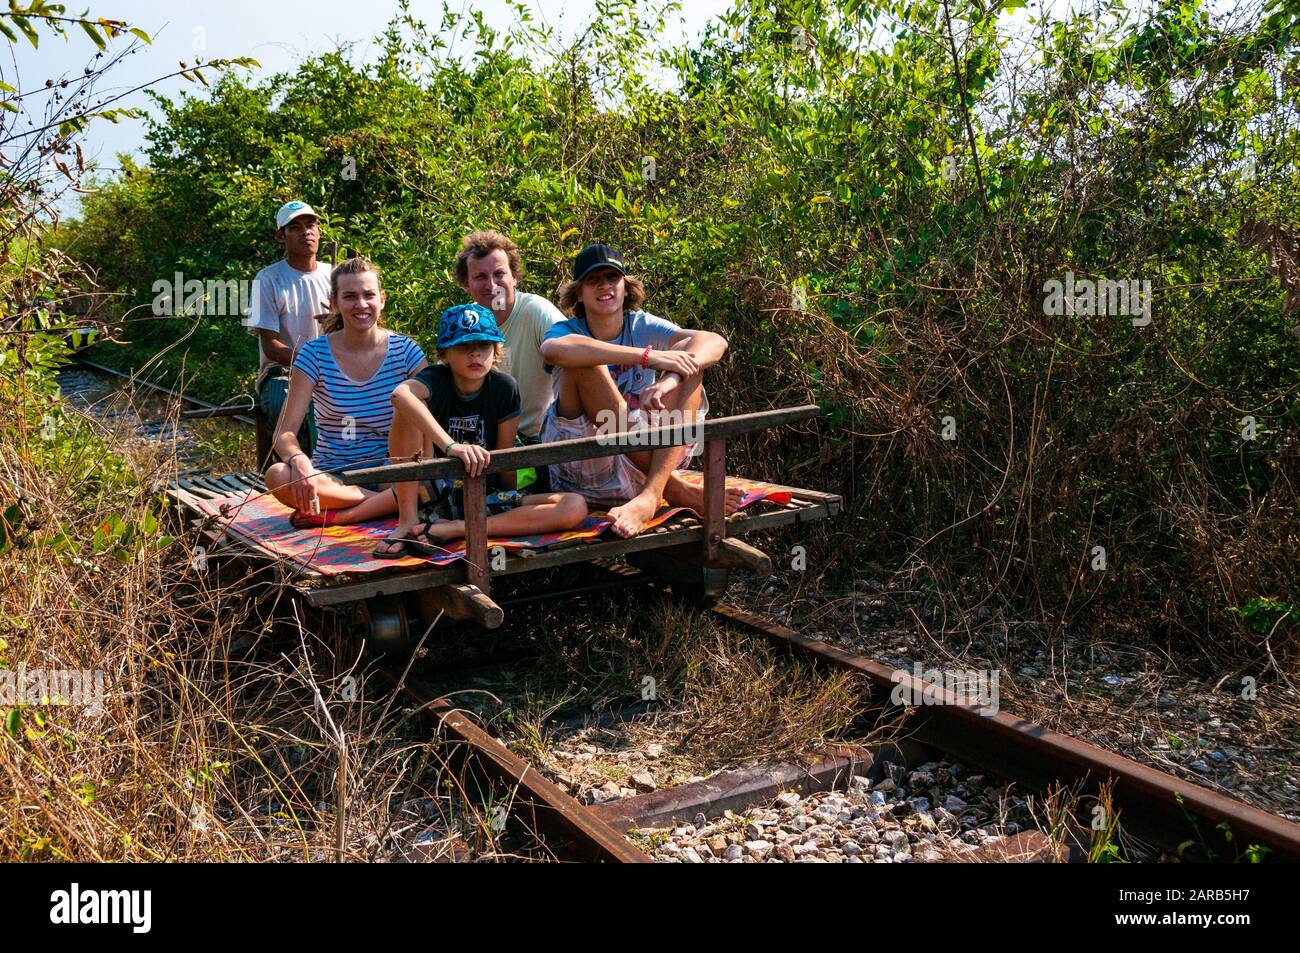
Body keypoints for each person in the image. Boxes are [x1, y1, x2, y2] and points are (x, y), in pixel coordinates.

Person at [538, 243, 743, 538]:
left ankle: (650, 494)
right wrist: (646, 357)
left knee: (690, 362)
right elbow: (553, 351)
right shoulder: (567, 329)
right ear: (579, 293)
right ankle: (672, 489)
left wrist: (670, 378)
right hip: (587, 464)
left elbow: (714, 341)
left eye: (612, 278)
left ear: (625, 286)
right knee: (583, 361)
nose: (605, 286)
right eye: (594, 280)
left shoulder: (640, 324)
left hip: (640, 458)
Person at [374, 303, 587, 558]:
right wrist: (451, 446)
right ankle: (407, 521)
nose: (475, 354)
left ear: (495, 352)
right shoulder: (436, 379)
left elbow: (504, 455)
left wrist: (513, 499)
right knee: (406, 409)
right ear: (445, 354)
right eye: (464, 347)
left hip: (482, 494)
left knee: (575, 506)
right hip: (433, 493)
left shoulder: (504, 387)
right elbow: (400, 395)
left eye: (484, 346)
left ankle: (456, 530)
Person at [264, 257, 426, 526]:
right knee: (277, 475)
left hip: (392, 473)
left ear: (382, 299)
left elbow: (431, 416)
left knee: (422, 479)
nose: (361, 305)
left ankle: (344, 516)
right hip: (333, 477)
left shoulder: (405, 351)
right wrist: (300, 460)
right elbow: (284, 432)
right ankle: (381, 503)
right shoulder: (314, 354)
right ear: (335, 303)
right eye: (350, 296)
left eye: (368, 295)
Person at [454, 229, 565, 490]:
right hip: (482, 445)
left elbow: (573, 347)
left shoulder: (534, 311)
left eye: (499, 274)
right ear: (467, 285)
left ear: (514, 276)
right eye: (480, 277)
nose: (491, 285)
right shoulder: (466, 324)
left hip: (535, 441)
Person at [244, 201, 332, 453]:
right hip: (283, 371)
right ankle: (295, 472)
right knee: (290, 406)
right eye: (295, 227)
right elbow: (271, 346)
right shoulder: (268, 279)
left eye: (310, 224)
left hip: (331, 369)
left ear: (319, 229)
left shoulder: (334, 274)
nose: (306, 231)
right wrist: (311, 362)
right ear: (280, 235)